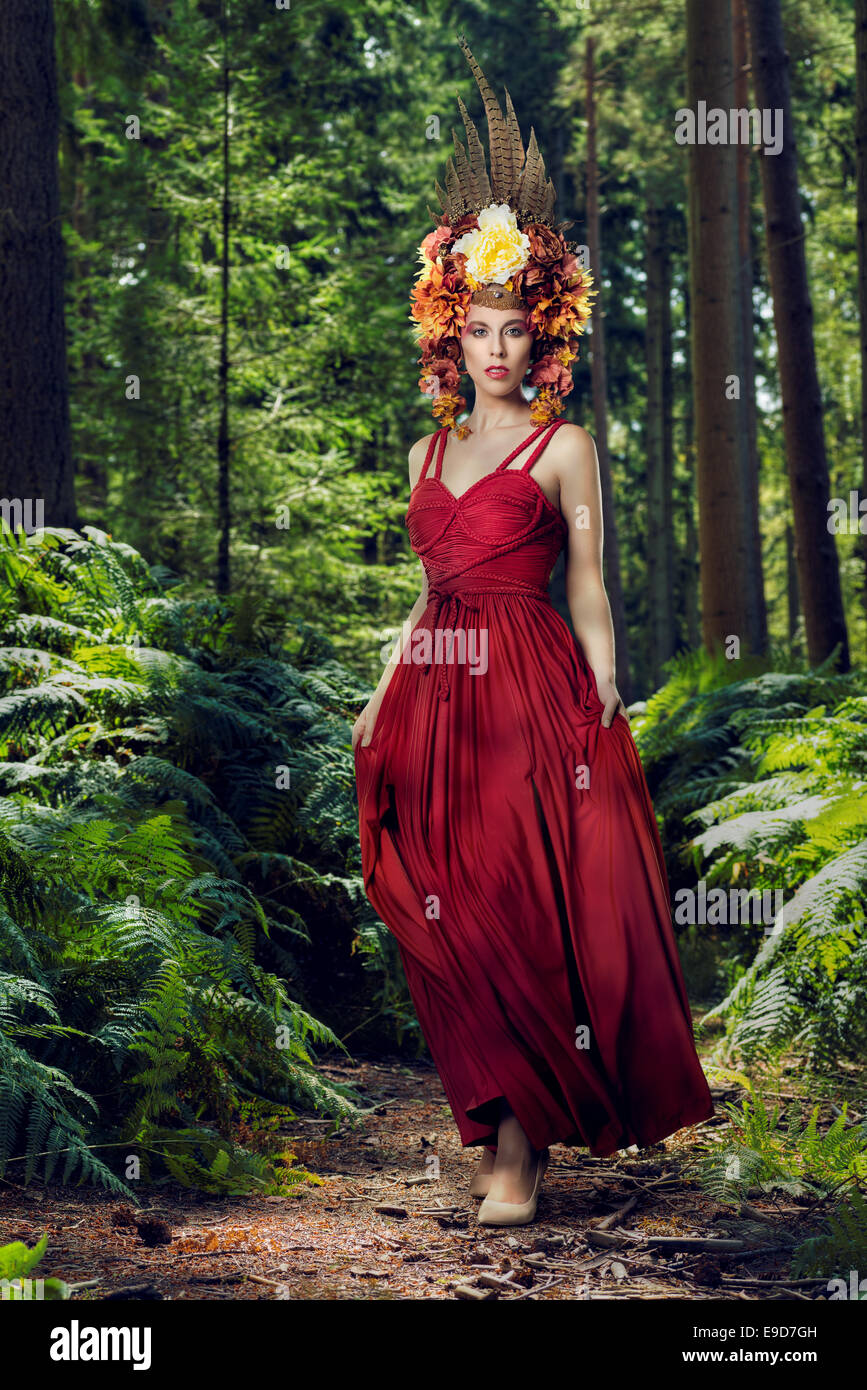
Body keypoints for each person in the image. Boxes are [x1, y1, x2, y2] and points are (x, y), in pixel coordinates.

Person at [352, 36, 714, 1227]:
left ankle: (519, 1149)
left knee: (513, 900)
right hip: (432, 696)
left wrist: (605, 683)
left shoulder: (564, 449)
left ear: (540, 331)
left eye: (515, 327)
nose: (496, 346)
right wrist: (379, 687)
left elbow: (591, 586)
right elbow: (425, 590)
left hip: (527, 690)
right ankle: (499, 1108)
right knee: (436, 900)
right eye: (478, 327)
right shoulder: (421, 454)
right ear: (450, 333)